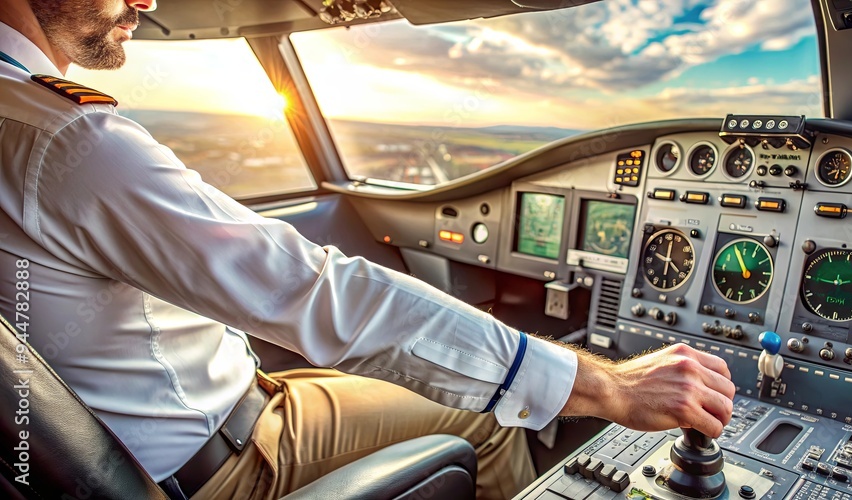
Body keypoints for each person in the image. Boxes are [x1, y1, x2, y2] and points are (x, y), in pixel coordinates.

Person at [0, 0, 737, 499]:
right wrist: (606, 385)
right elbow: (314, 292)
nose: (146, 1)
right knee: (491, 416)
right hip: (218, 462)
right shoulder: (62, 139)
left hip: (194, 421)